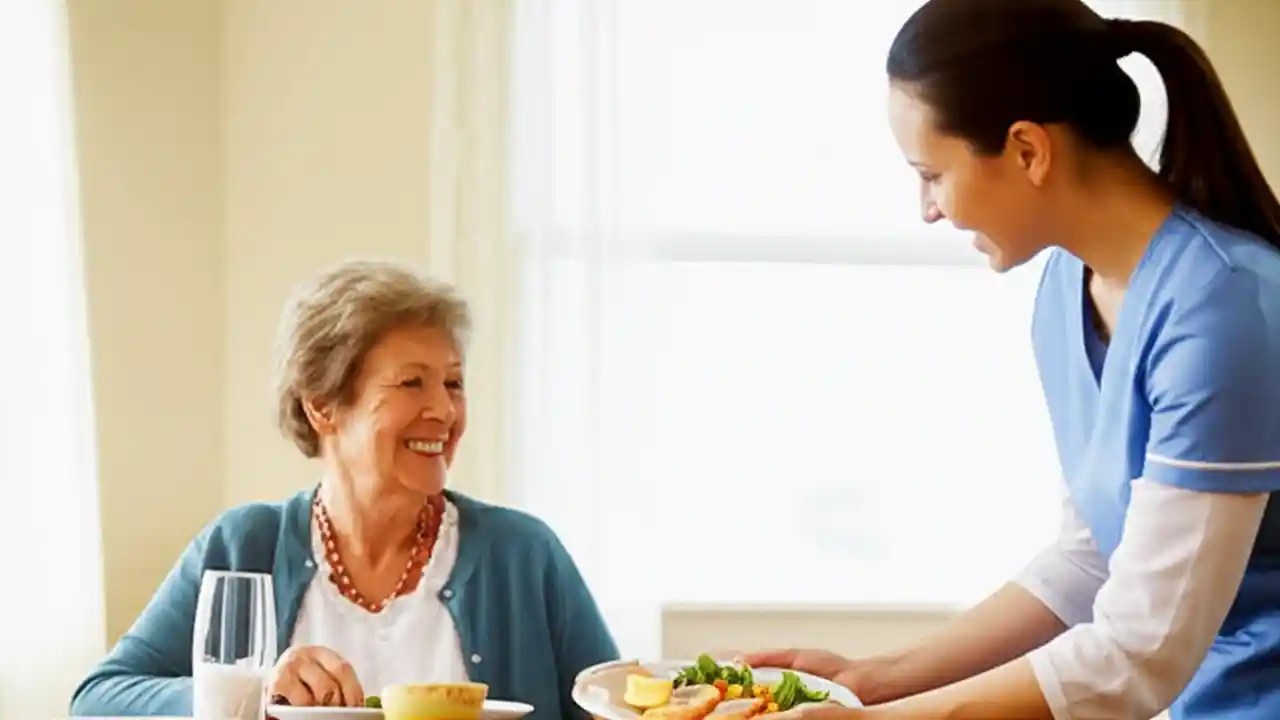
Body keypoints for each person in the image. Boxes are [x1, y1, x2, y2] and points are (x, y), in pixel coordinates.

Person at [747, 0, 1280, 718]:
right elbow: (1091, 559)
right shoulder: (1067, 289)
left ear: (1028, 150)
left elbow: (1139, 652)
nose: (927, 208)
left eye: (931, 173)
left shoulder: (1226, 309)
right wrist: (877, 678)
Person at [70, 259, 619, 719]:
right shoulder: (243, 546)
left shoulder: (524, 554)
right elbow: (98, 700)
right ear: (323, 405)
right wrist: (251, 695)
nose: (445, 410)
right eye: (412, 383)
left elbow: (615, 707)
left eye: (453, 382)